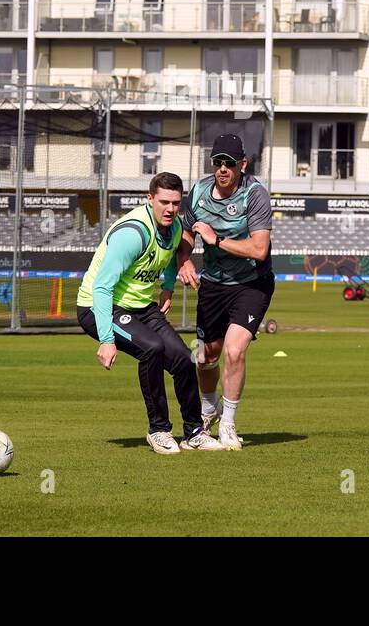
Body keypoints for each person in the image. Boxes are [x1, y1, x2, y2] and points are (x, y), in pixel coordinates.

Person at [76, 172, 223, 454]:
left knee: (183, 358)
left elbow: (169, 256)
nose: (170, 209)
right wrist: (106, 340)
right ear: (149, 199)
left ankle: (194, 432)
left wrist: (167, 288)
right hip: (98, 307)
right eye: (164, 202)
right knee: (152, 348)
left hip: (141, 307)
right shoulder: (132, 234)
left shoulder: (175, 227)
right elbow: (102, 288)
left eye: (176, 203)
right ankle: (158, 430)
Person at [176, 133, 274, 450]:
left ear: (241, 165)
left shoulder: (255, 195)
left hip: (251, 283)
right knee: (206, 356)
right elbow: (188, 234)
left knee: (234, 350)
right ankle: (208, 412)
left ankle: (228, 424)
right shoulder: (199, 191)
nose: (222, 169)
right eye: (217, 162)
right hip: (213, 284)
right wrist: (184, 261)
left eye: (229, 163)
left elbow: (260, 249)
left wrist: (216, 240)